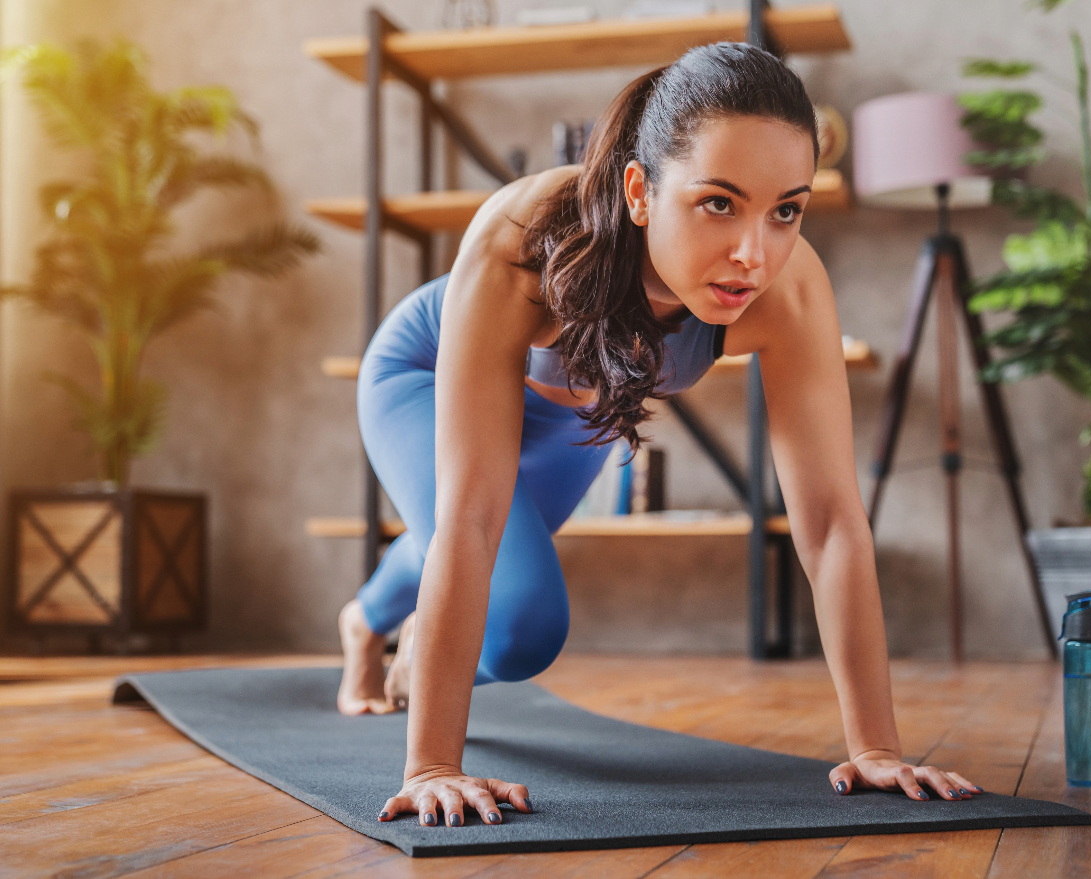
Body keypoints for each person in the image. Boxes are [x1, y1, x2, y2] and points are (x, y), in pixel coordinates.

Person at [336, 42, 982, 828]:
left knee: (508, 617)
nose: (755, 253)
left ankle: (374, 617)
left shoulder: (788, 288)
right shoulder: (523, 236)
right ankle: (372, 621)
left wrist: (876, 746)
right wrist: (433, 765)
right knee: (521, 624)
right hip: (424, 377)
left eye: (786, 208)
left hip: (578, 409)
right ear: (641, 191)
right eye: (719, 202)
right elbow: (471, 517)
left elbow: (832, 522)